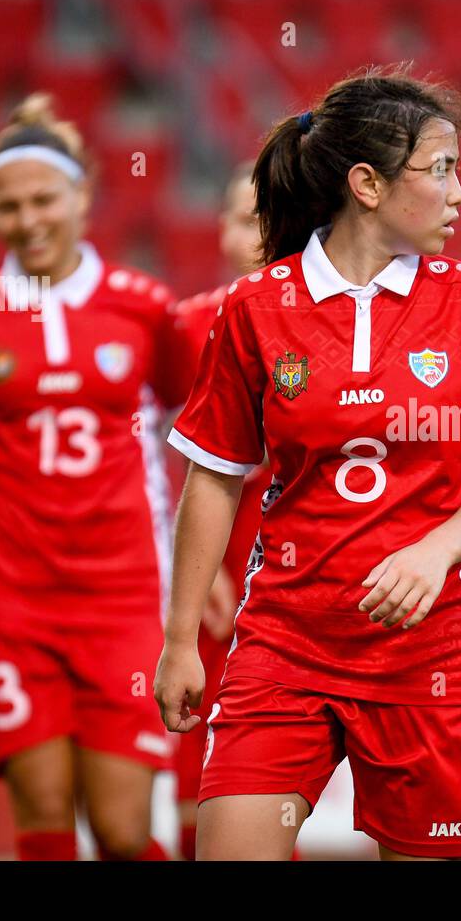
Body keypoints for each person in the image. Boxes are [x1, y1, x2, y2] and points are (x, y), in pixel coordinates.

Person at [154, 65, 461, 861]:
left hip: (431, 652)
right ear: (367, 184)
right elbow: (213, 479)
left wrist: (436, 549)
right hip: (285, 641)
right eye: (441, 170)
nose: (460, 194)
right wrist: (177, 638)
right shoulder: (254, 307)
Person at [0, 93, 198, 861]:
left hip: (126, 592)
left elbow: (204, 442)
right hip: (10, 596)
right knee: (40, 811)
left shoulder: (144, 310)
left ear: (82, 197)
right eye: (7, 207)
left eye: (44, 199)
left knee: (124, 829)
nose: (28, 220)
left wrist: (206, 568)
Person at [168, 161, 270, 860]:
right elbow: (147, 452)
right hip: (207, 559)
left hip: (304, 564)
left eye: (268, 216)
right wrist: (198, 572)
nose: (256, 234)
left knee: (275, 773)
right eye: (241, 218)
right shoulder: (186, 329)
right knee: (198, 770)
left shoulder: (346, 323)